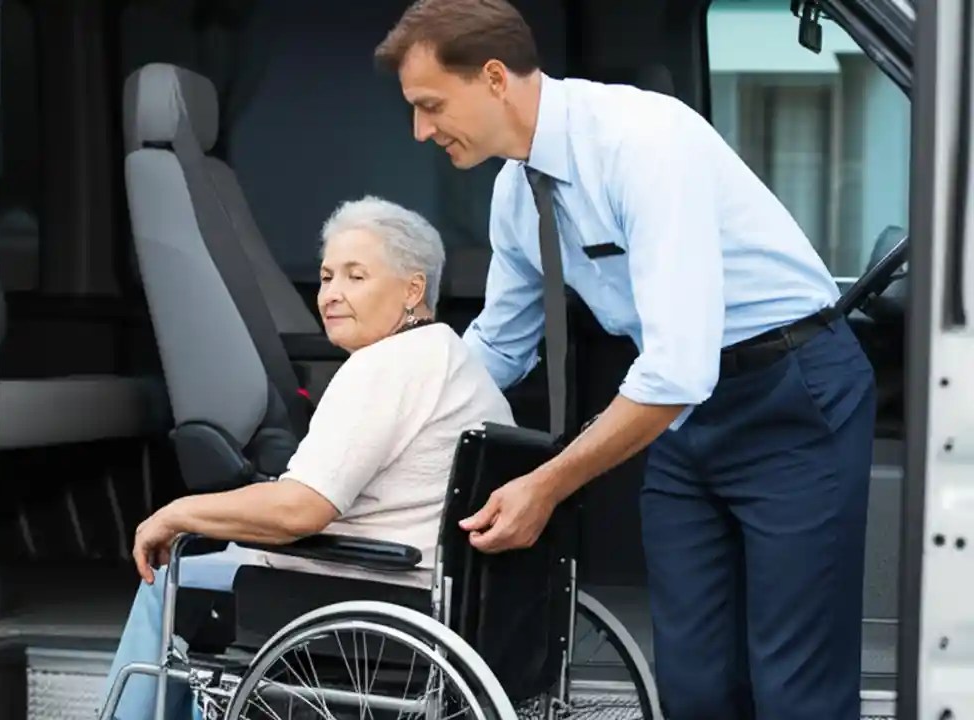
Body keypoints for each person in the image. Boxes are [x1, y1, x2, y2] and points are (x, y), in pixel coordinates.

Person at [373, 2, 877, 719]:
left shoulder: (642, 142)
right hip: (682, 425)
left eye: (429, 106)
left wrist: (544, 486)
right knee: (694, 684)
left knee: (796, 688)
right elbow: (498, 348)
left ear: (492, 78)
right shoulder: (516, 194)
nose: (421, 131)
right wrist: (385, 416)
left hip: (790, 397)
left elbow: (678, 369)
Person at [98, 195, 515, 719]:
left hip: (371, 599)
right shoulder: (454, 360)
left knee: (170, 582)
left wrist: (176, 513)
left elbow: (300, 511)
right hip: (440, 601)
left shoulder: (384, 367)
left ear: (413, 288)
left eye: (355, 277)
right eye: (325, 277)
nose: (332, 295)